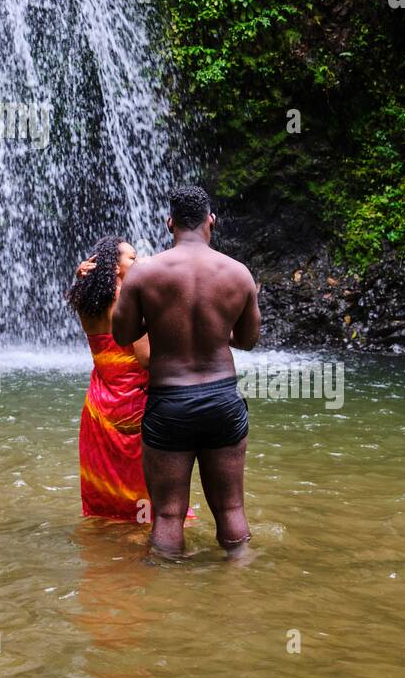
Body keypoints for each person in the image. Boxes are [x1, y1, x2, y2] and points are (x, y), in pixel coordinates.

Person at [111, 186, 261, 558]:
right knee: (231, 509)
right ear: (211, 221)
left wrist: (163, 323)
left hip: (170, 403)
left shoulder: (144, 274)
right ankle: (241, 583)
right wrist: (213, 329)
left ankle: (167, 597)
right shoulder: (238, 273)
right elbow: (247, 340)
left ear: (169, 223)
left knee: (167, 515)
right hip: (222, 399)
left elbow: (122, 334)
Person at [67, 236, 196, 528]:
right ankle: (156, 540)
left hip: (99, 404)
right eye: (133, 258)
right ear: (115, 267)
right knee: (147, 480)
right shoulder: (129, 301)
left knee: (111, 482)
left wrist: (80, 277)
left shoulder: (85, 298)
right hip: (134, 402)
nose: (139, 262)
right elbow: (146, 357)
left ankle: (113, 540)